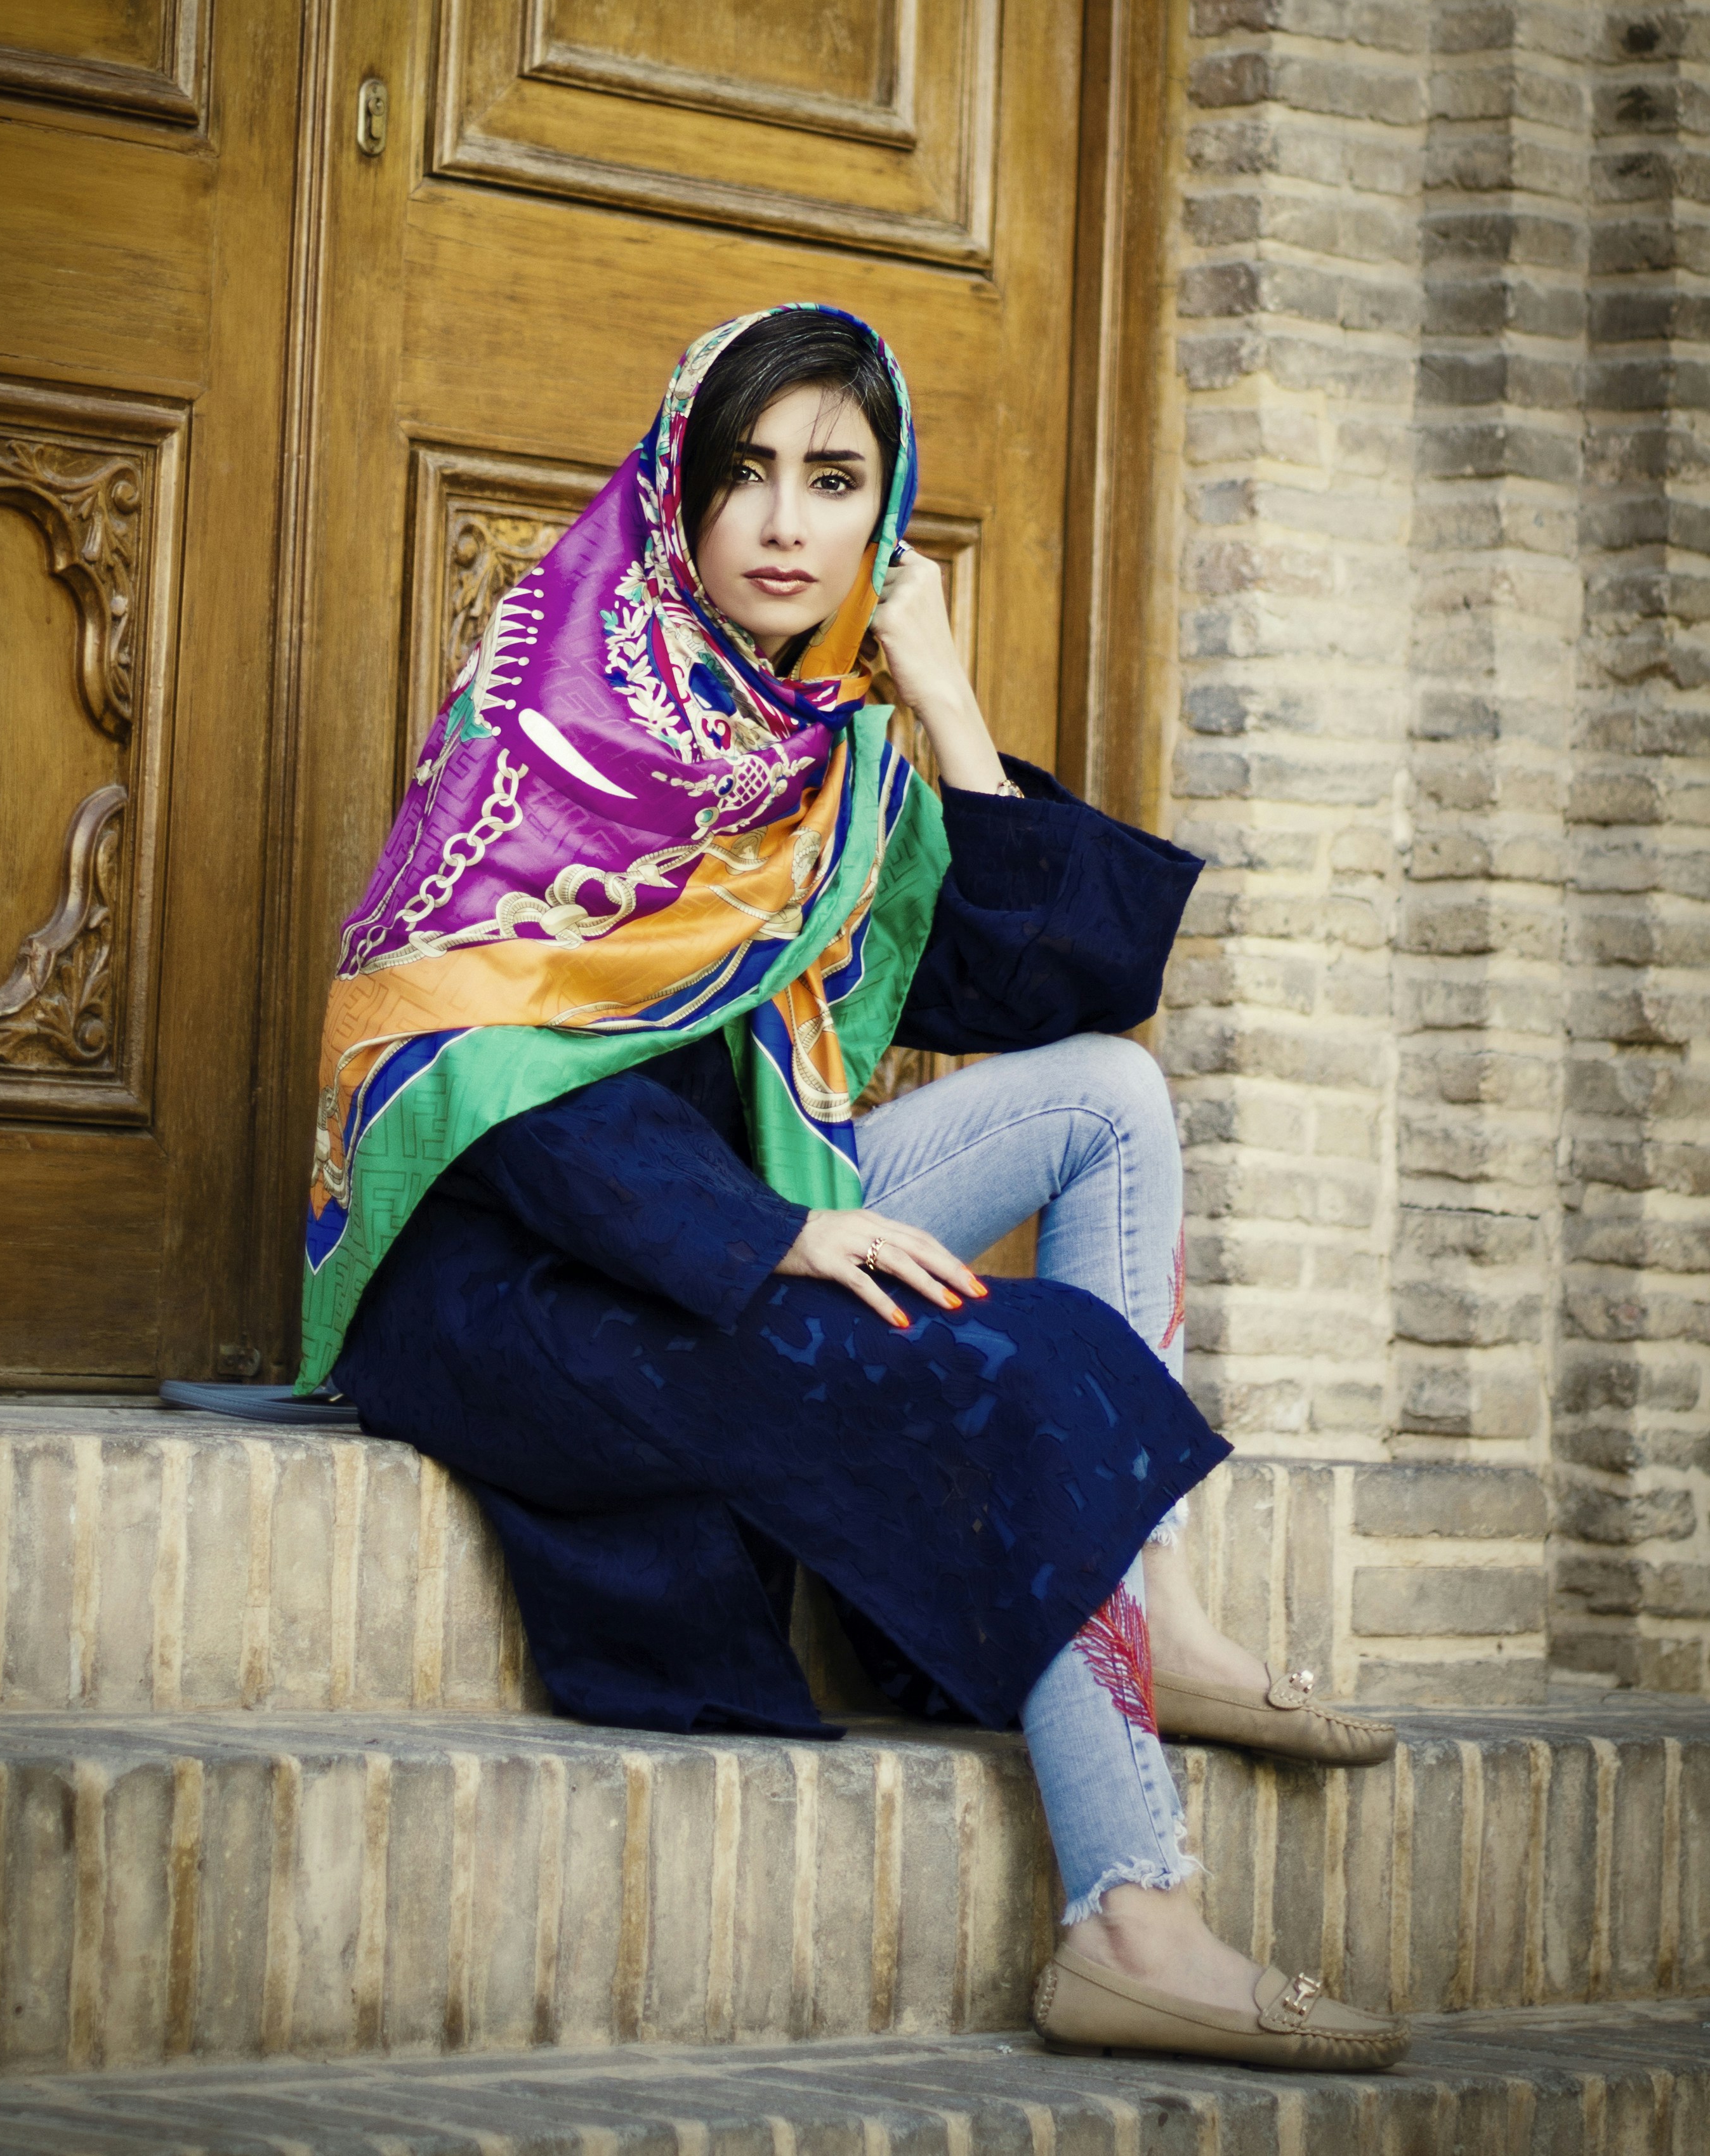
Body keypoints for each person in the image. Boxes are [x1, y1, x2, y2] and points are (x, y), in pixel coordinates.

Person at [301, 306, 1407, 2070]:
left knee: (1112, 1097)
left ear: (883, 524)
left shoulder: (821, 761)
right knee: (1010, 1371)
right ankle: (1134, 1918)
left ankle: (1152, 1601)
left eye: (837, 481)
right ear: (678, 485)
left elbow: (1061, 988)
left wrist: (946, 693)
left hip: (736, 1198)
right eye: (742, 473)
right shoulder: (544, 704)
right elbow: (468, 1058)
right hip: (532, 1276)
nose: (784, 523)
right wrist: (776, 1233)